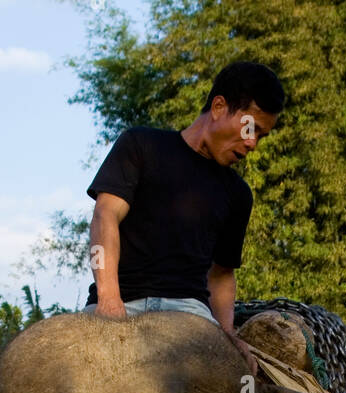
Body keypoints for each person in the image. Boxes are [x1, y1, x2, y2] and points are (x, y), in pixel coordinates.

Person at [83, 61, 284, 373]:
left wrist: (228, 334)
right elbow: (105, 215)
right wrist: (109, 301)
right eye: (250, 128)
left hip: (190, 316)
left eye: (261, 135)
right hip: (117, 302)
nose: (252, 143)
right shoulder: (140, 145)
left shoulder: (238, 194)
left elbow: (220, 275)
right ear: (219, 106)